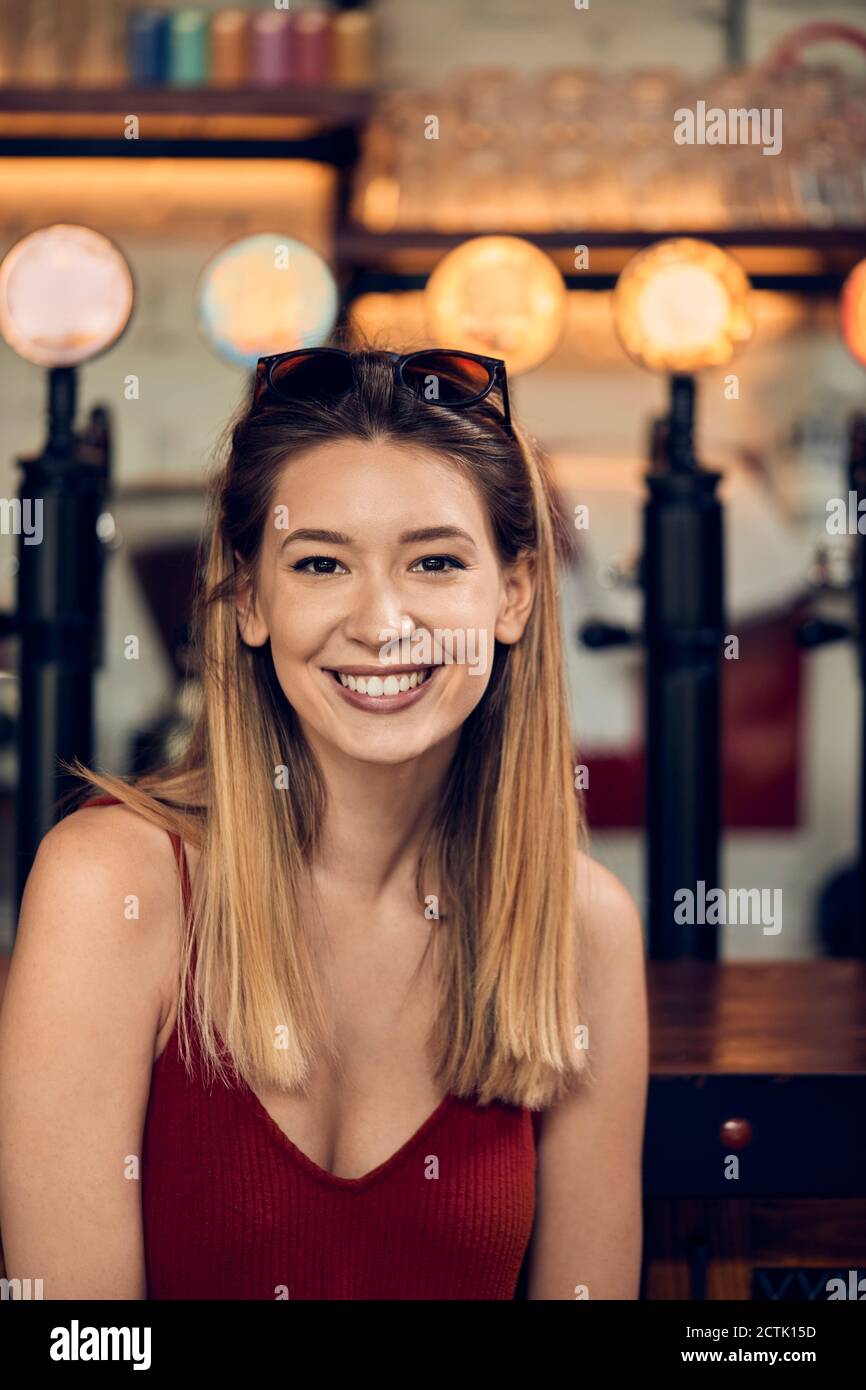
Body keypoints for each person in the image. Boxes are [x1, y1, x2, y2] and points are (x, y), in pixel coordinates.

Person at [0, 343, 648, 1299]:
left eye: (434, 561)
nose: (382, 622)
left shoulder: (583, 925)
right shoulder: (111, 889)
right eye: (321, 563)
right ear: (252, 599)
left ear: (512, 594)